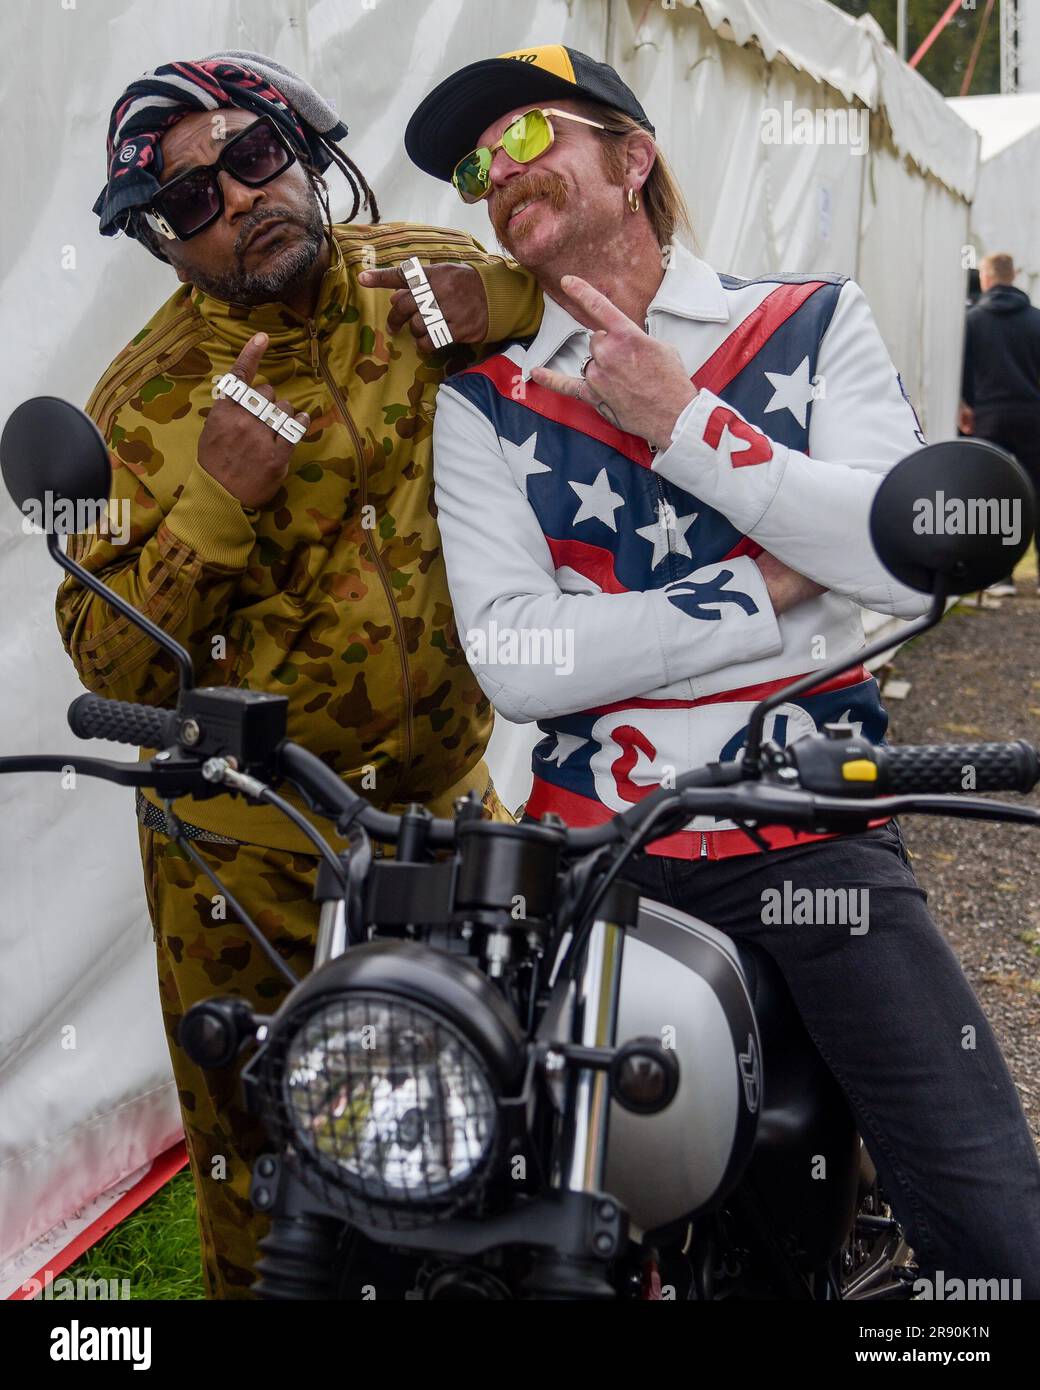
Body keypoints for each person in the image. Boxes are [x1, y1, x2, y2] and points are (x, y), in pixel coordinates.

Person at [406, 44, 1040, 1293]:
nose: (495, 175)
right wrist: (768, 581)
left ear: (632, 159)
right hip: (602, 862)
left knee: (992, 1234)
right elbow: (522, 664)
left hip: (817, 838)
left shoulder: (807, 323)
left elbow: (898, 567)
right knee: (528, 1228)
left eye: (528, 139)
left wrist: (683, 426)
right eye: (477, 166)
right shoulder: (479, 405)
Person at [54, 51, 547, 1298]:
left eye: (251, 160)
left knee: (508, 1123)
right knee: (282, 1190)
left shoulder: (416, 276)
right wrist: (217, 496)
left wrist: (508, 297)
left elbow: (574, 298)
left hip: (447, 813)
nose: (233, 203)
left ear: (305, 150)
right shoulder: (139, 402)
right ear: (164, 244)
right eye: (187, 205)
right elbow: (108, 661)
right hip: (252, 863)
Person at [960, 252, 1040, 595]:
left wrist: (964, 404)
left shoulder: (972, 320)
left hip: (989, 418)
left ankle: (1000, 575)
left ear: (987, 279)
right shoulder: (1037, 320)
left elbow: (963, 370)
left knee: (994, 495)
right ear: (1015, 278)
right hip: (1034, 417)